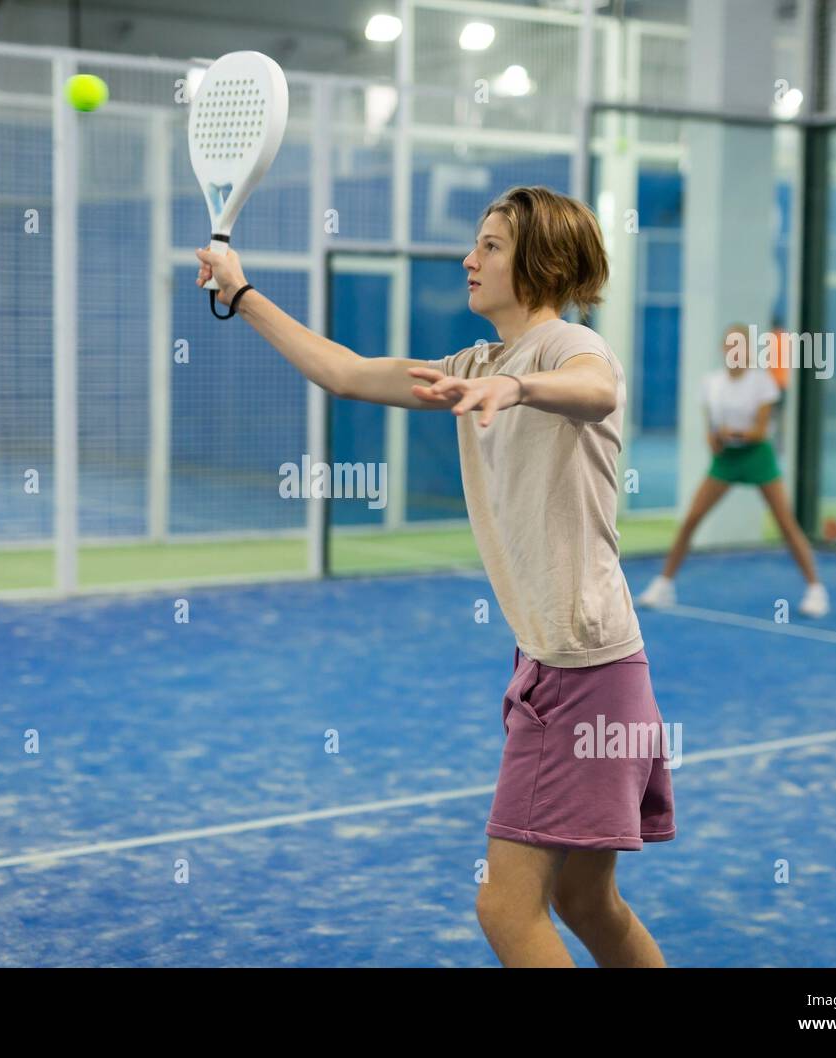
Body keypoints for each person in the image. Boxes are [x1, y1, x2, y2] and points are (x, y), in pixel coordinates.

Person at [196, 185, 674, 968]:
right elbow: (348, 373)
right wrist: (242, 293)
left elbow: (598, 388)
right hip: (577, 665)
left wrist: (518, 387)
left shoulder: (566, 346)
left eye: (490, 245)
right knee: (586, 900)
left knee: (506, 908)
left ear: (543, 262)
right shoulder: (475, 364)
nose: (468, 258)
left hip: (583, 675)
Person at [635, 324, 829, 617]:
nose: (734, 351)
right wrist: (714, 440)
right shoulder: (711, 383)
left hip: (758, 456)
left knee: (786, 524)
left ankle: (815, 589)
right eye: (729, 345)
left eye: (739, 345)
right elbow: (711, 430)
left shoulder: (763, 383)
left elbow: (760, 432)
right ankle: (664, 585)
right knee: (691, 519)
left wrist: (733, 434)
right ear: (724, 349)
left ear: (748, 350)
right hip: (726, 459)